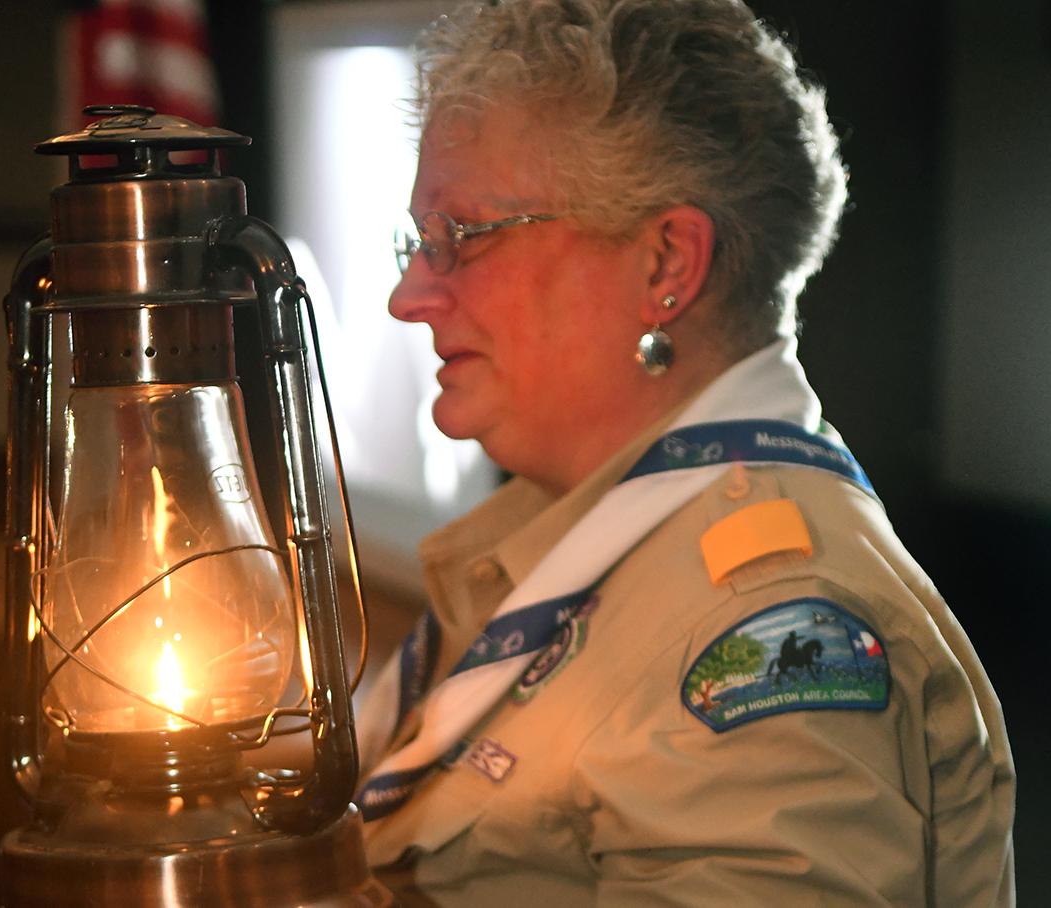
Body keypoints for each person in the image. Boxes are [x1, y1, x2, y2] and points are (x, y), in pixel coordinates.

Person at [353, 0, 1015, 904]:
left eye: (461, 238)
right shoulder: (576, 525)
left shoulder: (768, 625)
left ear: (665, 264)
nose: (407, 296)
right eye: (418, 242)